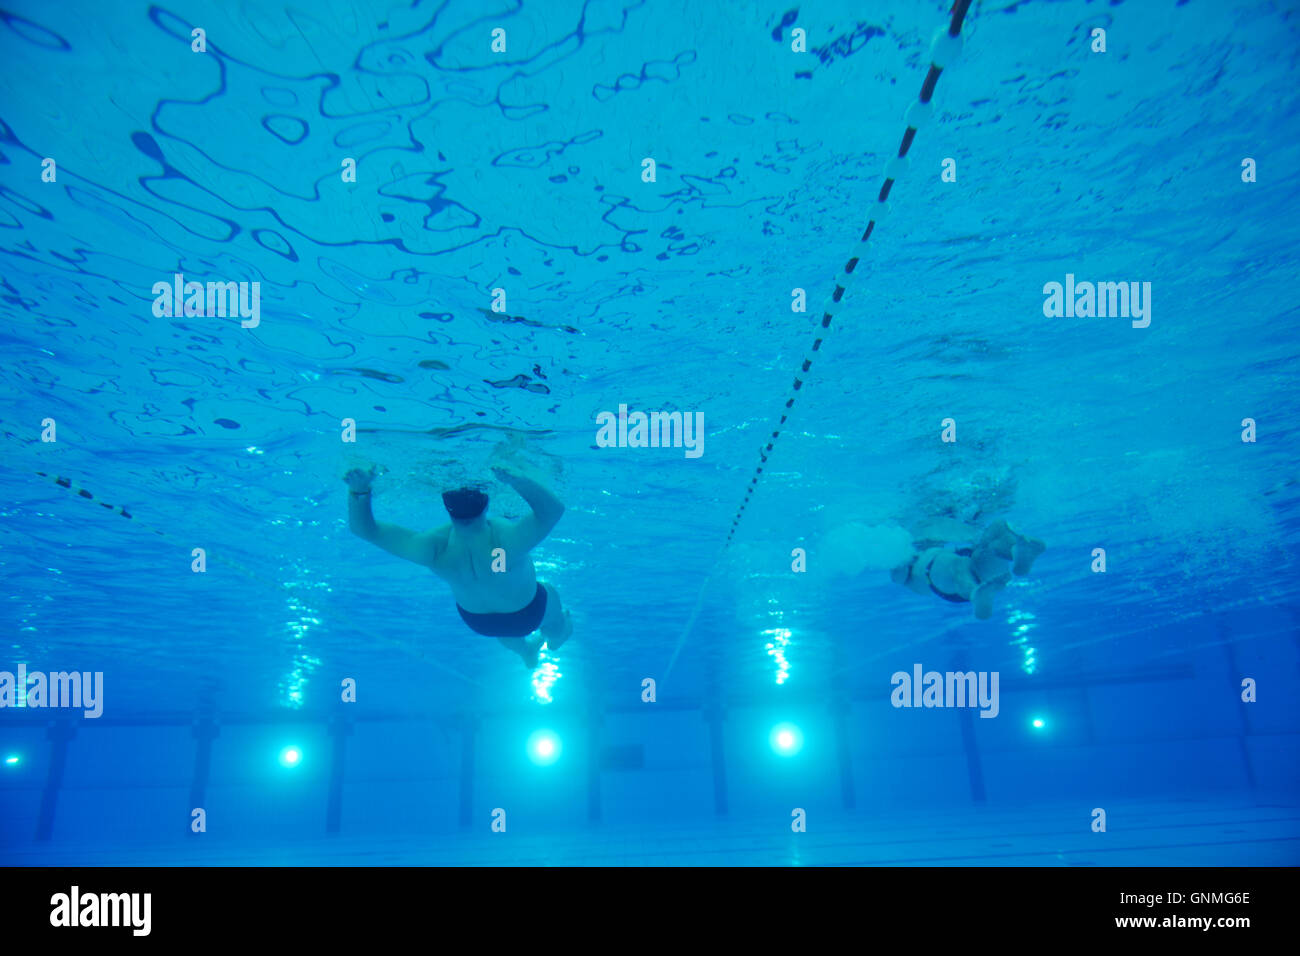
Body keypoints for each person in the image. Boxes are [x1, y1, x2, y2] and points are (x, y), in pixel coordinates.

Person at [344, 464, 572, 667]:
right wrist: (517, 481)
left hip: (479, 622)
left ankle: (526, 652)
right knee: (549, 595)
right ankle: (555, 640)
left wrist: (359, 490)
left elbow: (364, 530)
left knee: (504, 624)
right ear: (486, 503)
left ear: (447, 507)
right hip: (526, 614)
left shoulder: (433, 546)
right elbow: (553, 510)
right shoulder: (503, 542)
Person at [890, 518, 1045, 620]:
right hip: (945, 583)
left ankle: (1017, 551)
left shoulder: (932, 550)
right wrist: (904, 557)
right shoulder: (914, 563)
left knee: (996, 530)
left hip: (979, 576)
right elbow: (897, 577)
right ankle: (975, 593)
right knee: (959, 567)